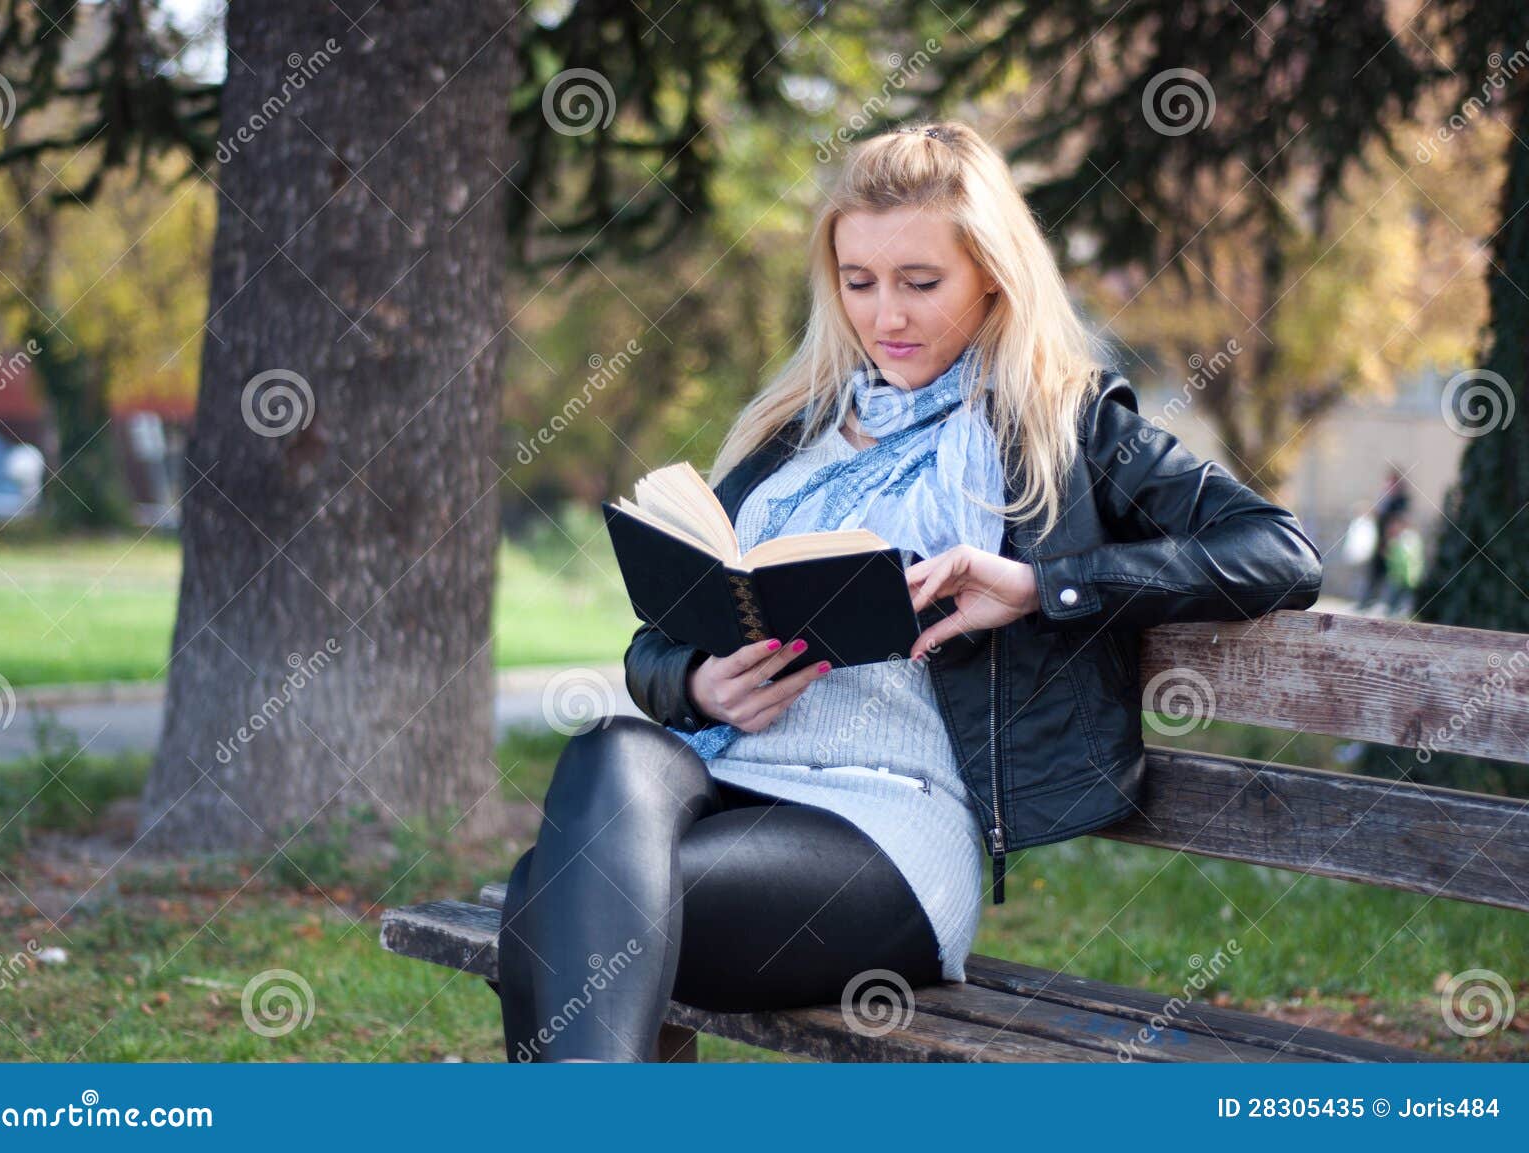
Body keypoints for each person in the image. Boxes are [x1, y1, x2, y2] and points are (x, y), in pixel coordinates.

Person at [494, 119, 1323, 1062]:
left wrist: (1039, 583)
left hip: (882, 830)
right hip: (728, 779)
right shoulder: (792, 431)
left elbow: (1278, 550)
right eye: (860, 283)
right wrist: (695, 684)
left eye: (921, 283)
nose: (886, 315)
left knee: (547, 904)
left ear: (992, 276)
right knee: (606, 754)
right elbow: (659, 638)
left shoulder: (1063, 424)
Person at [1355, 468, 1411, 611]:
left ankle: (1394, 605)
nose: (1388, 484)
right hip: (1380, 543)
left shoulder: (1401, 500)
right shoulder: (1385, 498)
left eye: (1391, 481)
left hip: (1393, 544)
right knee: (1376, 573)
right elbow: (1380, 516)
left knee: (1396, 575)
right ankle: (1367, 602)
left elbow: (1398, 522)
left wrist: (1390, 543)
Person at [1374, 510, 1424, 618]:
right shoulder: (1400, 539)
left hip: (1406, 575)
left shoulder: (1408, 538)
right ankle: (1392, 614)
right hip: (1399, 575)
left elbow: (1408, 558)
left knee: (1402, 599)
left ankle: (1397, 615)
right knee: (1395, 599)